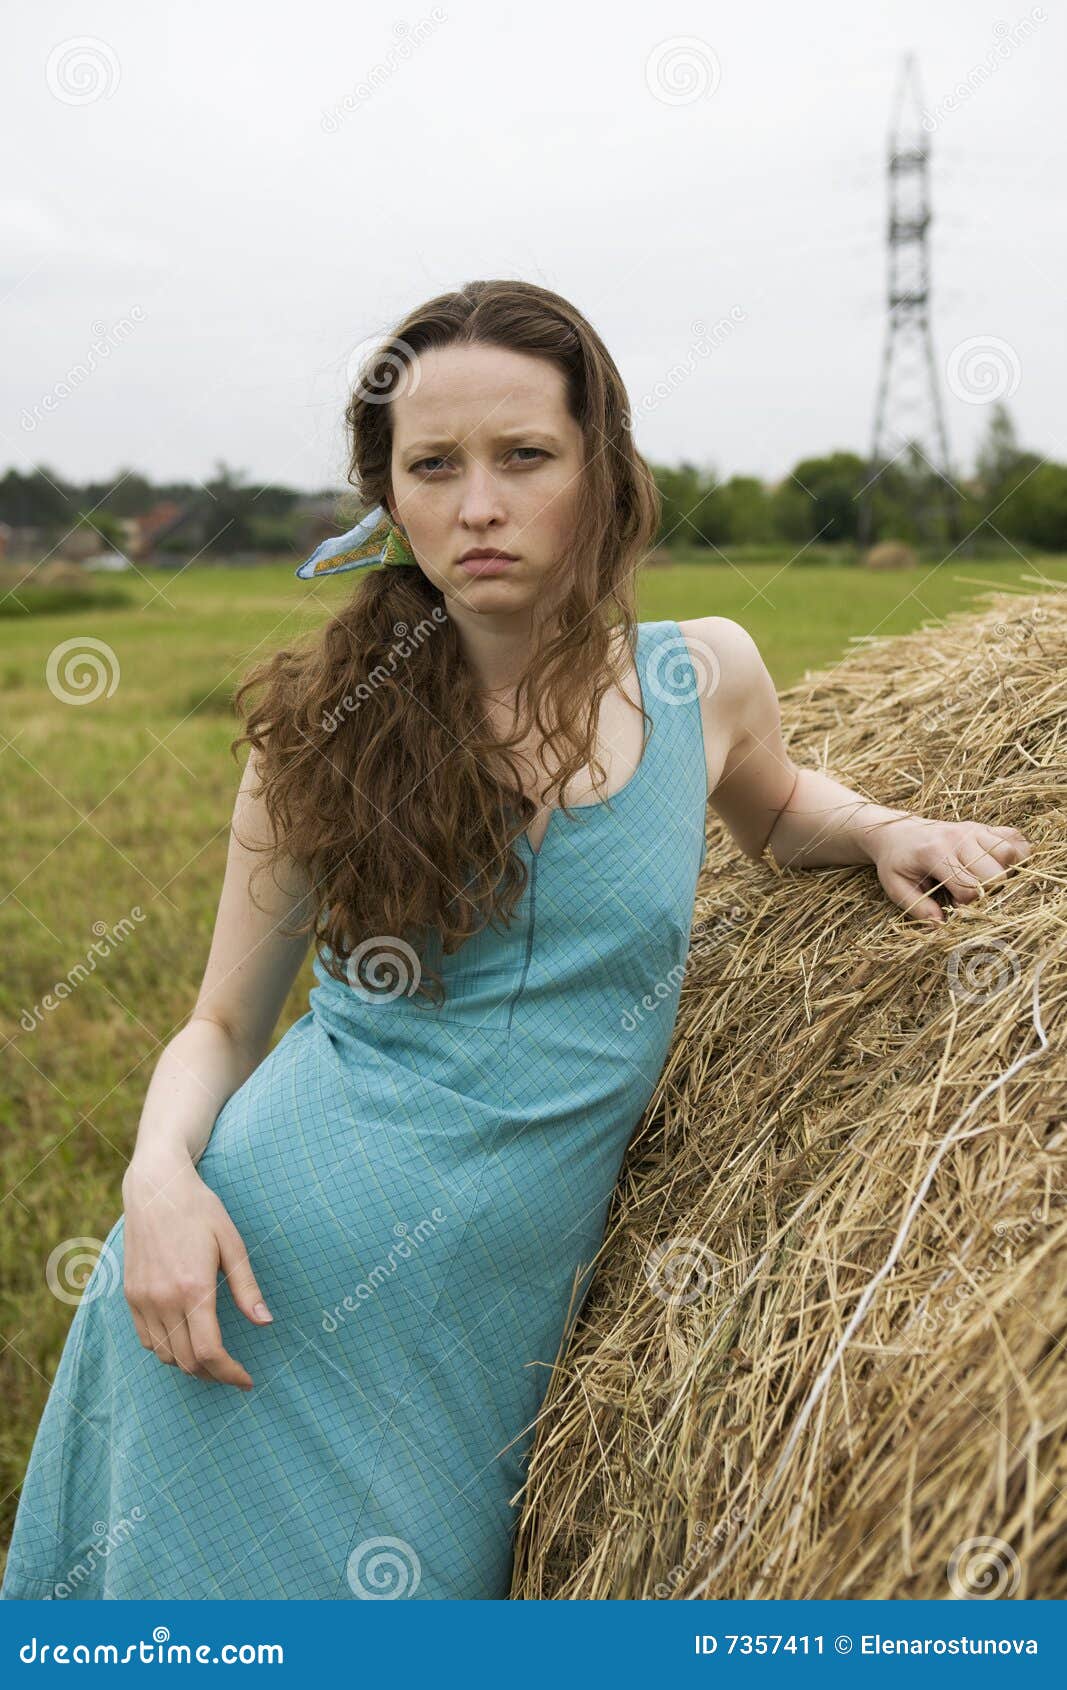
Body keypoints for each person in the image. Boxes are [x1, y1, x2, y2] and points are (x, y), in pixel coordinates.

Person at [1, 279, 1031, 1602]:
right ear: (390, 496)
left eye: (524, 457)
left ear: (602, 470)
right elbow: (216, 1027)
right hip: (260, 1290)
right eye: (434, 466)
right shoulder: (325, 732)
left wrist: (883, 823)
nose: (478, 505)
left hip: (479, 1345)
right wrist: (157, 1181)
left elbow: (778, 809)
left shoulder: (700, 675)